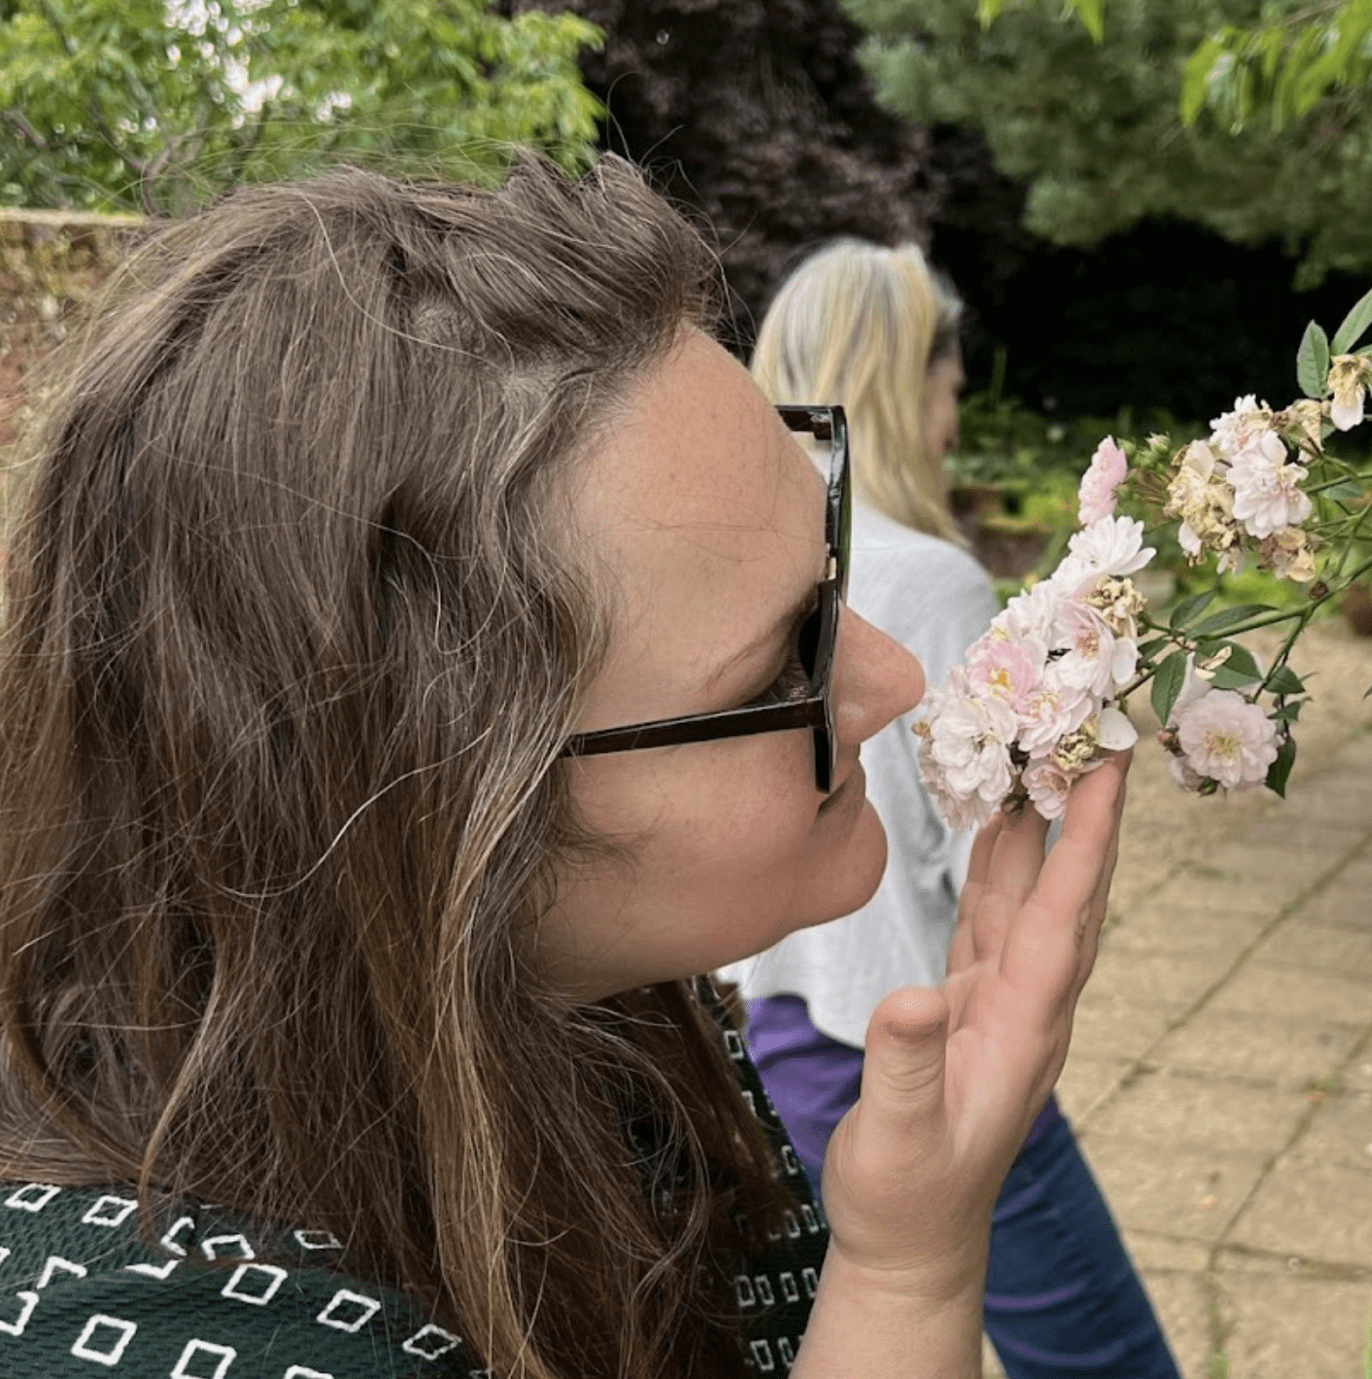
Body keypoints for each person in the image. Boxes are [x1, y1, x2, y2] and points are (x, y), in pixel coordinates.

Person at [0, 154, 1129, 1379]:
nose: (897, 679)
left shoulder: (619, 1012)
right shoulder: (174, 1339)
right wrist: (909, 1280)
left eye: (832, 564)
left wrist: (906, 1247)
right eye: (770, 671)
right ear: (443, 814)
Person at [729, 240, 1179, 1379]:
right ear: (898, 380)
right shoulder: (926, 580)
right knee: (1097, 1355)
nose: (950, 422)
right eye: (948, 389)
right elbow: (973, 841)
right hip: (922, 1039)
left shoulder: (740, 561)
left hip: (775, 1038)